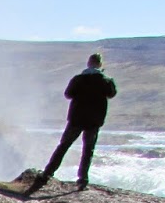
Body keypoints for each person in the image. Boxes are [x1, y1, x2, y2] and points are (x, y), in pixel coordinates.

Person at [31, 53, 117, 191]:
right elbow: (112, 94)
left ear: (88, 63)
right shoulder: (106, 80)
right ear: (100, 64)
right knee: (88, 150)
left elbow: (68, 94)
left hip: (76, 119)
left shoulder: (78, 79)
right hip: (94, 120)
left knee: (64, 146)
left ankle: (47, 173)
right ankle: (83, 179)